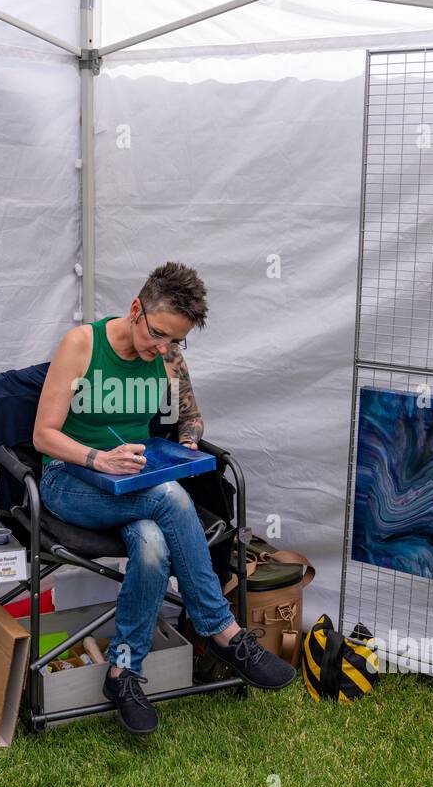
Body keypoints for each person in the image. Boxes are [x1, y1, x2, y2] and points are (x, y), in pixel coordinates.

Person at [32, 261, 295, 734]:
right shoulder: (82, 345)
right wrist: (98, 458)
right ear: (135, 309)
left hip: (133, 484)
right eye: (158, 335)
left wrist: (186, 443)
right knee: (170, 499)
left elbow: (192, 418)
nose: (164, 348)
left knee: (152, 543)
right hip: (69, 481)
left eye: (175, 340)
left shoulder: (168, 357)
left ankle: (123, 672)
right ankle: (221, 629)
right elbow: (43, 436)